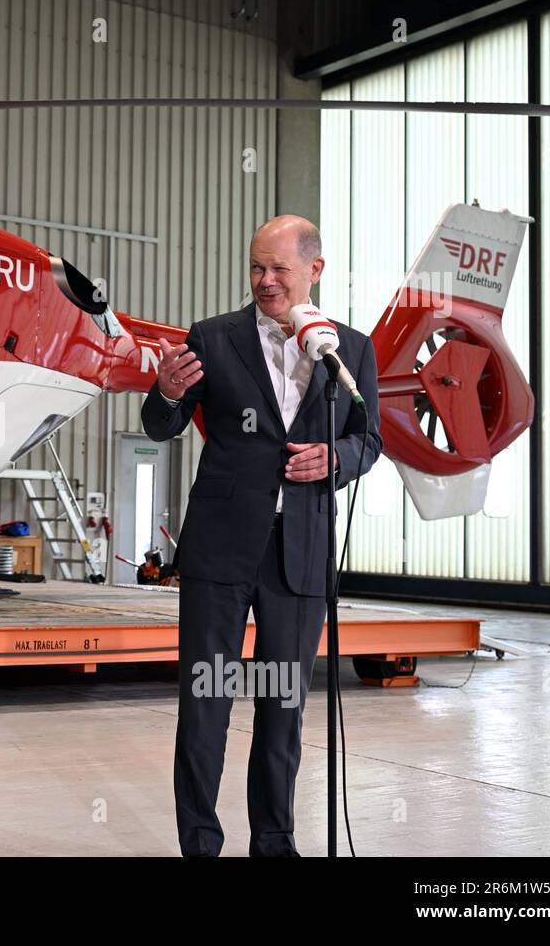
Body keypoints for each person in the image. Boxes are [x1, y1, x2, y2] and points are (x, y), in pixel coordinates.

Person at [141, 215, 382, 856]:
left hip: (299, 550)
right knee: (206, 705)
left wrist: (338, 460)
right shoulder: (211, 338)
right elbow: (162, 424)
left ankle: (274, 843)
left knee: (283, 712)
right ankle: (200, 844)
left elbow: (370, 439)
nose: (265, 280)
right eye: (256, 267)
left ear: (315, 270)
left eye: (278, 268)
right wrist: (163, 392)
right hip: (220, 546)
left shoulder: (350, 351)